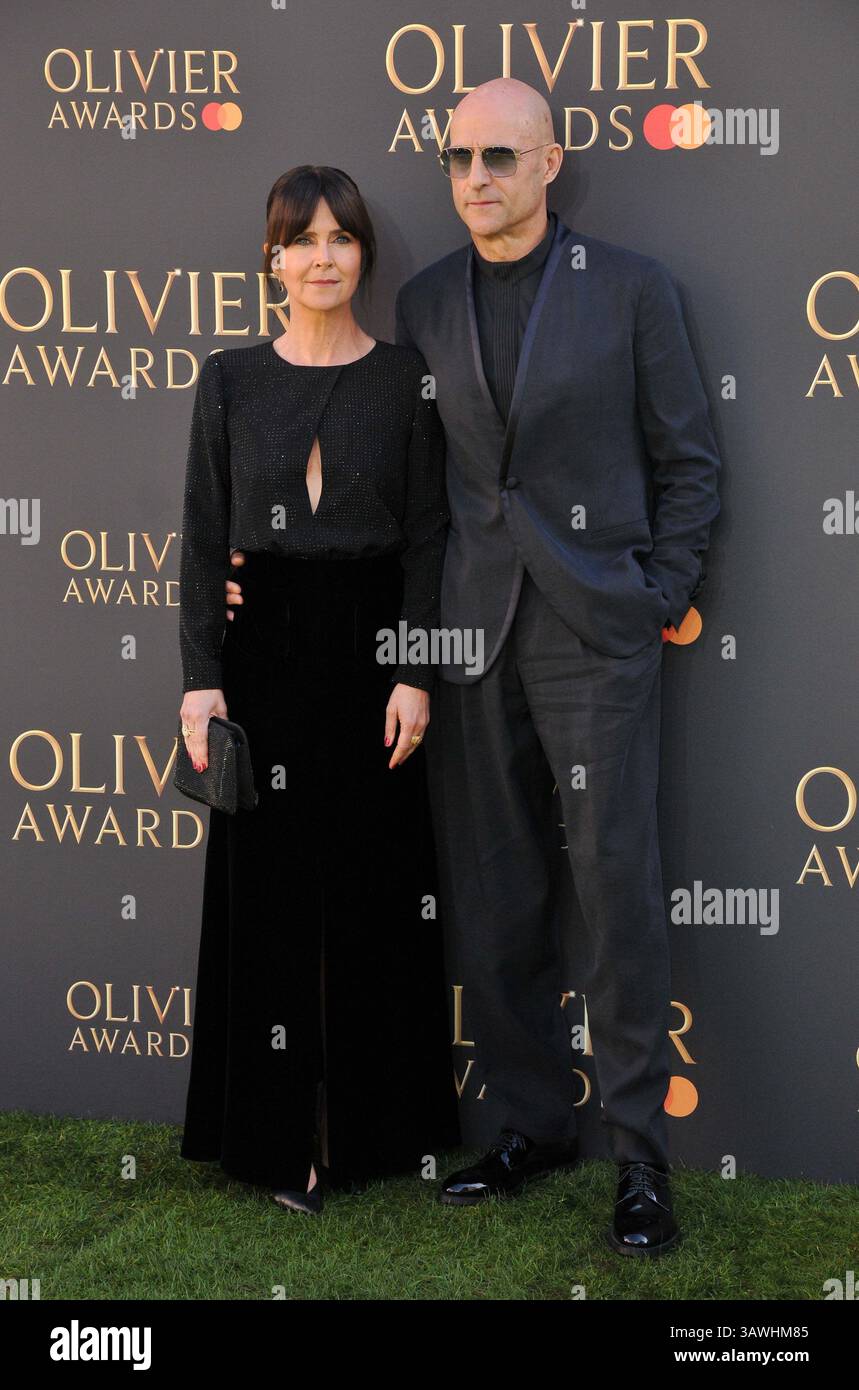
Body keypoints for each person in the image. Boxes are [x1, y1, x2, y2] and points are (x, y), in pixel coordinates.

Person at [226, 78, 721, 1256]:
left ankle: (639, 1159)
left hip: (595, 636)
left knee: (613, 892)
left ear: (550, 163)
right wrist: (263, 558)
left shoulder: (633, 289)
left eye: (500, 155)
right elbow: (398, 480)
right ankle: (527, 1126)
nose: (475, 177)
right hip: (468, 638)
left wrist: (654, 596)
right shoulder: (428, 301)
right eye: (457, 157)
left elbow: (689, 463)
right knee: (497, 899)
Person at [177, 165, 459, 1215]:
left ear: (363, 255)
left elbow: (427, 537)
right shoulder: (230, 379)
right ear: (274, 260)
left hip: (371, 650)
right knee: (271, 900)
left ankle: (375, 1130)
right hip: (263, 658)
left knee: (375, 891)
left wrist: (413, 670)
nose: (323, 257)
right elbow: (201, 537)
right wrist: (201, 682)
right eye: (302, 240)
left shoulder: (404, 379)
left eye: (340, 238)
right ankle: (276, 1139)